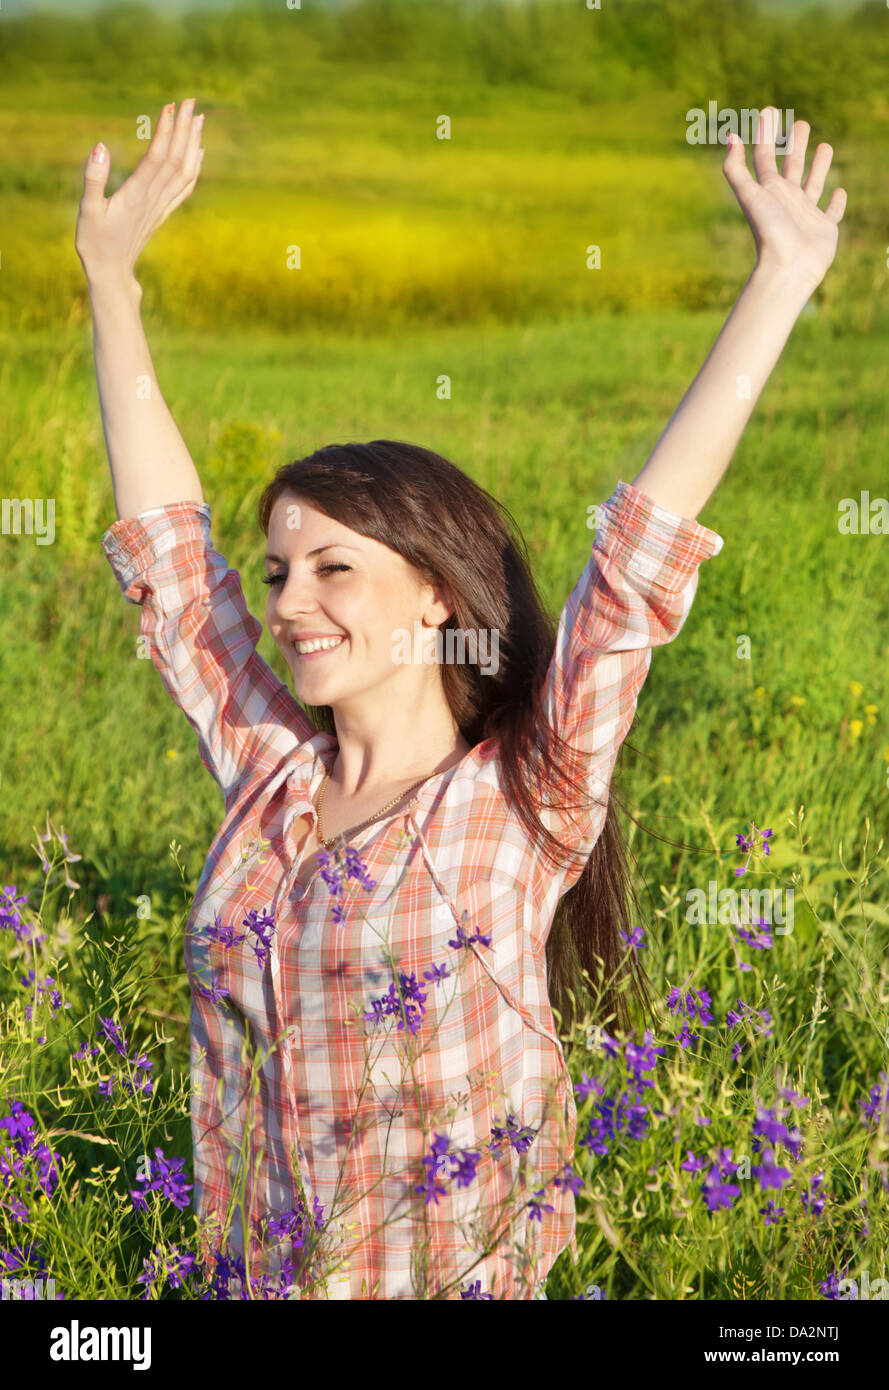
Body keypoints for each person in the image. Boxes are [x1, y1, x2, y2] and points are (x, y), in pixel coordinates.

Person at [76, 99, 845, 1299]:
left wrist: (781, 282)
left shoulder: (517, 799)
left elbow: (631, 569)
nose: (288, 605)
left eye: (336, 569)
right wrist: (110, 278)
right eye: (280, 572)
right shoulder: (268, 776)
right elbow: (173, 566)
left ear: (435, 597)